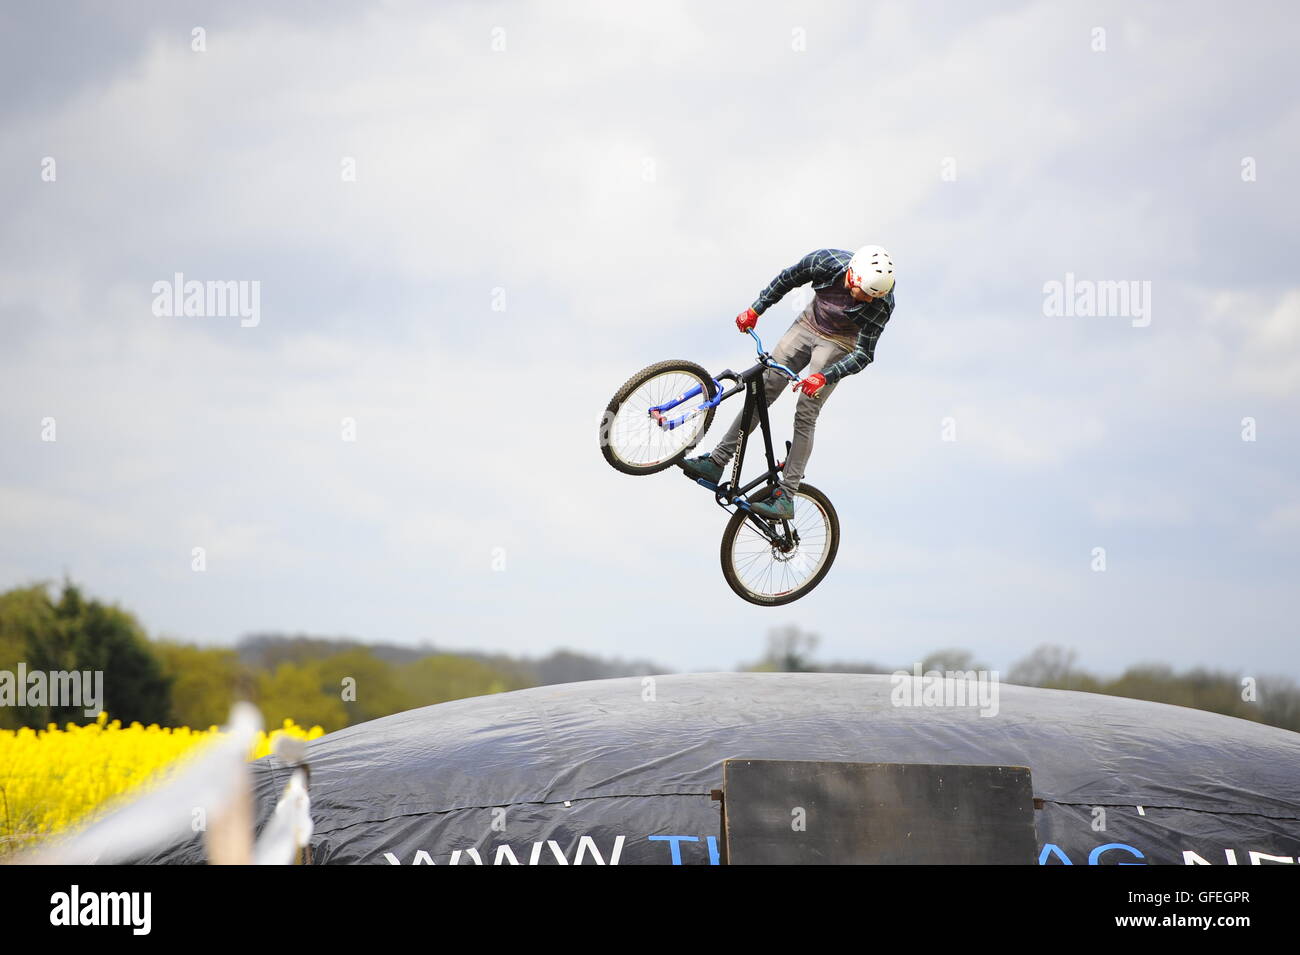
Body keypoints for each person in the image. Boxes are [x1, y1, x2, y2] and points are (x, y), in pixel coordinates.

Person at [680, 245, 896, 520]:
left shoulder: (880, 302)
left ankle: (786, 495)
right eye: (863, 293)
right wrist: (755, 310)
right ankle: (716, 461)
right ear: (852, 276)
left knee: (806, 412)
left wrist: (823, 377)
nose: (866, 300)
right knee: (763, 390)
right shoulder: (824, 262)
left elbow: (864, 354)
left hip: (840, 343)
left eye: (872, 297)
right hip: (807, 324)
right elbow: (788, 278)